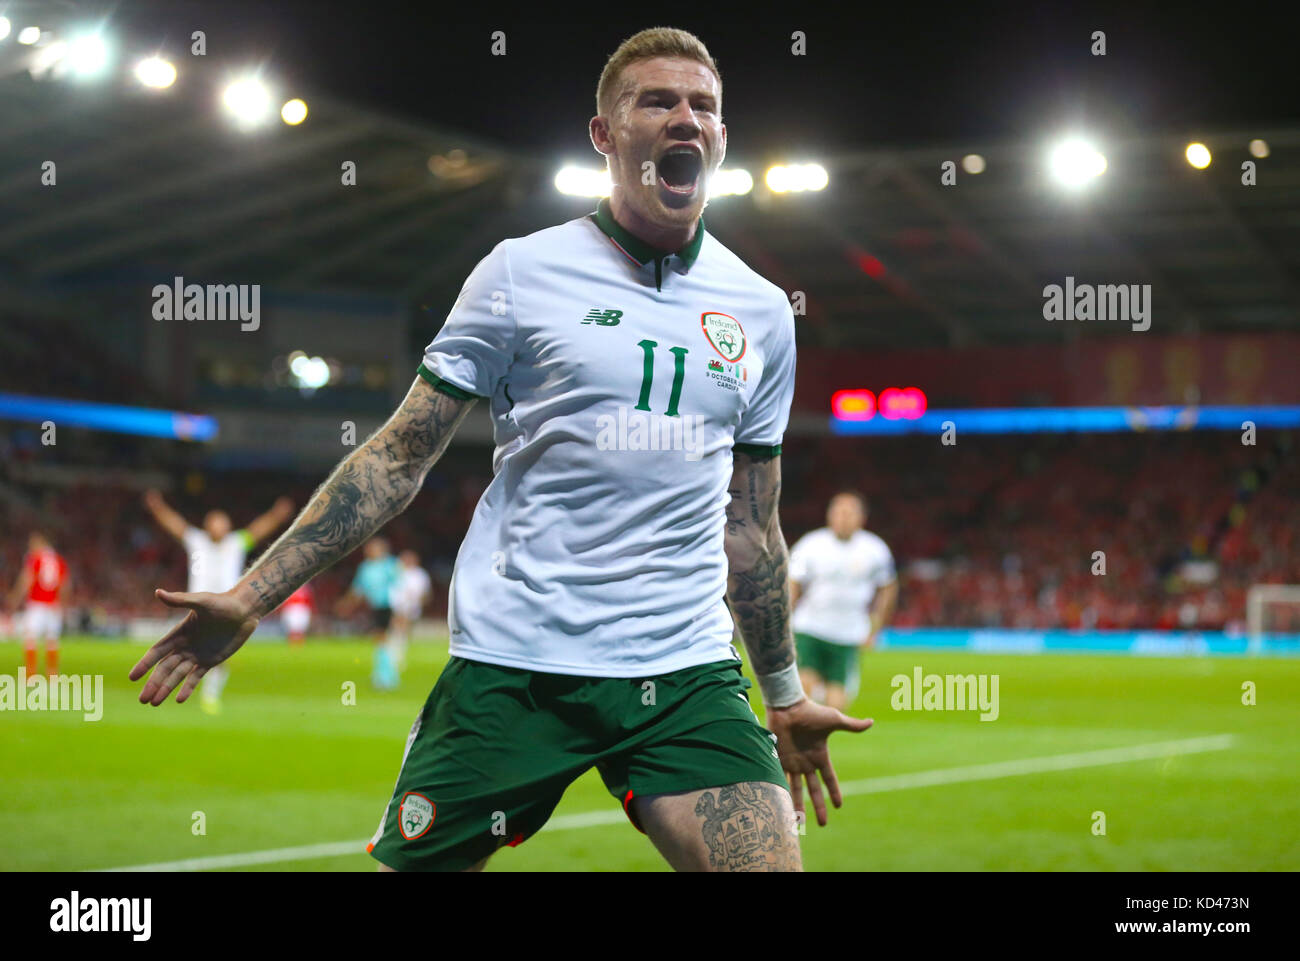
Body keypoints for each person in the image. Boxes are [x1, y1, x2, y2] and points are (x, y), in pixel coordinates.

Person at [131, 27, 871, 872]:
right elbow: (399, 458)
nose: (685, 119)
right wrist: (253, 595)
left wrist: (783, 692)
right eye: (656, 101)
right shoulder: (520, 273)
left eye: (703, 105)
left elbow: (751, 526)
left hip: (686, 672)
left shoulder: (764, 311)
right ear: (604, 133)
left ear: (723, 137)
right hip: (516, 666)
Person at [142, 488, 294, 713]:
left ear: (228, 527)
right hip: (197, 606)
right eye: (214, 522)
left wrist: (276, 515)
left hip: (227, 607)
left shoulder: (236, 542)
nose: (218, 526)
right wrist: (158, 508)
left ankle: (210, 695)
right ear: (207, 526)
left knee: (220, 654)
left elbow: (258, 529)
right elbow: (175, 524)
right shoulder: (197, 540)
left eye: (222, 523)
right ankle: (172, 688)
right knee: (188, 649)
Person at [789, 492, 899, 710]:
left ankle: (824, 739)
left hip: (848, 633)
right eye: (838, 512)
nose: (843, 518)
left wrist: (876, 626)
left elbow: (888, 588)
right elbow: (792, 583)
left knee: (838, 698)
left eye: (849, 513)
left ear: (861, 518)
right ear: (829, 515)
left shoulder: (875, 549)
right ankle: (806, 739)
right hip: (810, 627)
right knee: (804, 685)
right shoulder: (811, 544)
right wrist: (786, 618)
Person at [336, 538, 402, 689]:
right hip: (375, 607)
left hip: (388, 605)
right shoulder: (365, 567)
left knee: (383, 639)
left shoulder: (389, 565)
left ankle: (386, 677)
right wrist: (346, 604)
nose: (369, 551)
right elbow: (358, 589)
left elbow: (400, 587)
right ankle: (385, 675)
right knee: (380, 640)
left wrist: (400, 610)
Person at [7, 532, 69, 680]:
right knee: (52, 641)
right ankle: (52, 674)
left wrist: (15, 598)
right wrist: (62, 604)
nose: (30, 547)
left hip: (37, 604)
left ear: (40, 543)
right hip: (54, 605)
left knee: (30, 638)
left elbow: (27, 579)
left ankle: (30, 674)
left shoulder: (35, 558)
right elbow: (65, 585)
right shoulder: (58, 560)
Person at [386, 550, 431, 672]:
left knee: (403, 631)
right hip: (398, 605)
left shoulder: (420, 574)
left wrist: (417, 603)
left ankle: (396, 656)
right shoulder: (397, 572)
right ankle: (395, 656)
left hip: (412, 606)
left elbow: (424, 592)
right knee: (398, 629)